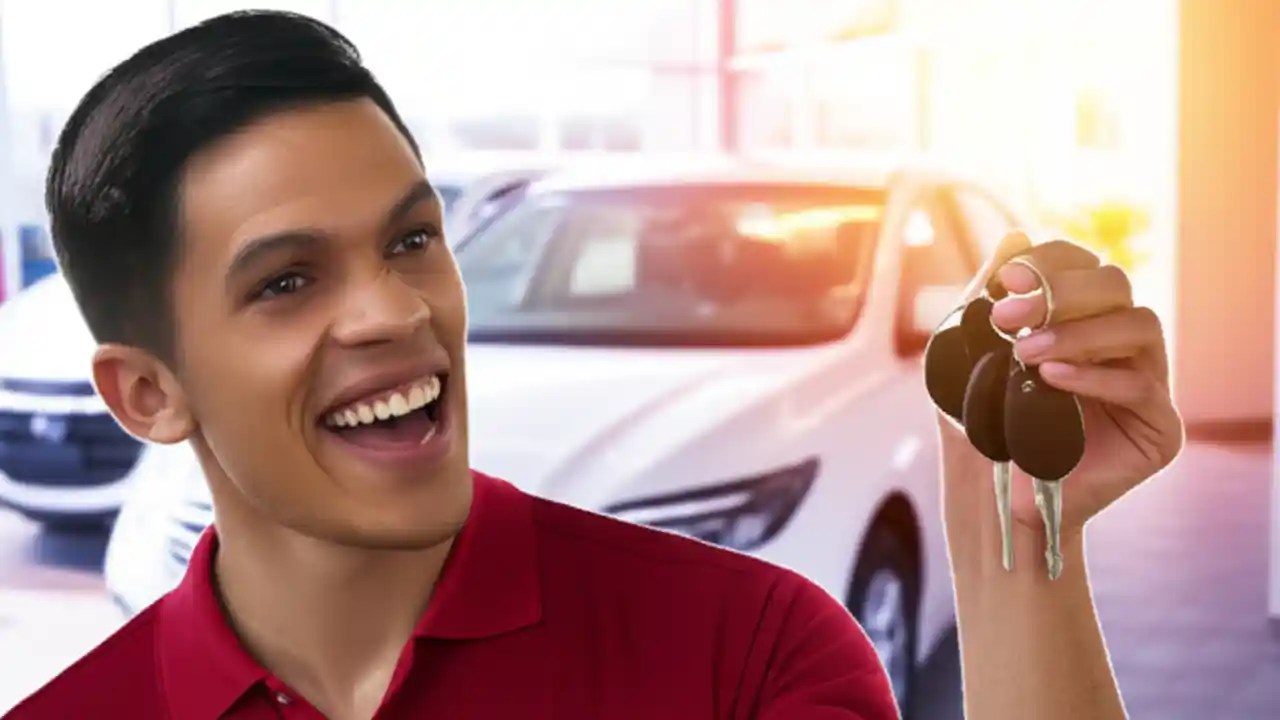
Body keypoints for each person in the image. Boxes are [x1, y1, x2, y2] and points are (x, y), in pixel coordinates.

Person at [4, 10, 1183, 720]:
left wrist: (1026, 545)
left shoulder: (746, 650)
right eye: (285, 281)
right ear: (147, 395)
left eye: (411, 240)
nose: (394, 312)